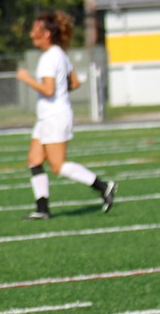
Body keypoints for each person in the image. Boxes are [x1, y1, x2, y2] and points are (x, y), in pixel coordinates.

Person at [16, 11, 117, 219]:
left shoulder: (49, 58)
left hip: (54, 116)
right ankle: (42, 209)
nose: (31, 33)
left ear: (47, 34)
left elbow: (48, 90)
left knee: (58, 166)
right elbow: (75, 82)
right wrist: (58, 90)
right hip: (48, 116)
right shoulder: (59, 54)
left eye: (35, 29)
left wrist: (26, 79)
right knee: (34, 160)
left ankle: (103, 186)